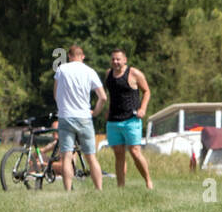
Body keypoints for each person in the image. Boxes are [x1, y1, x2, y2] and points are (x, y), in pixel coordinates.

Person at [54, 45, 108, 191]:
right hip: (84, 116)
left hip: (66, 116)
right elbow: (103, 97)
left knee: (66, 156)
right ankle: (99, 190)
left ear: (69, 57)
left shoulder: (61, 69)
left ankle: (68, 190)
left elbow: (55, 93)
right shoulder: (90, 71)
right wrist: (95, 112)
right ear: (82, 56)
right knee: (91, 157)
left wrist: (62, 106)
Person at [103, 49, 153, 190]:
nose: (115, 62)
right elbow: (111, 96)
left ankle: (148, 181)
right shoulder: (108, 75)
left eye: (118, 59)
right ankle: (121, 187)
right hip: (113, 121)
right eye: (113, 59)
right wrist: (107, 110)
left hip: (131, 119)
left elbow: (147, 91)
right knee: (119, 154)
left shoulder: (134, 73)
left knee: (135, 151)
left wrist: (143, 109)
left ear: (125, 60)